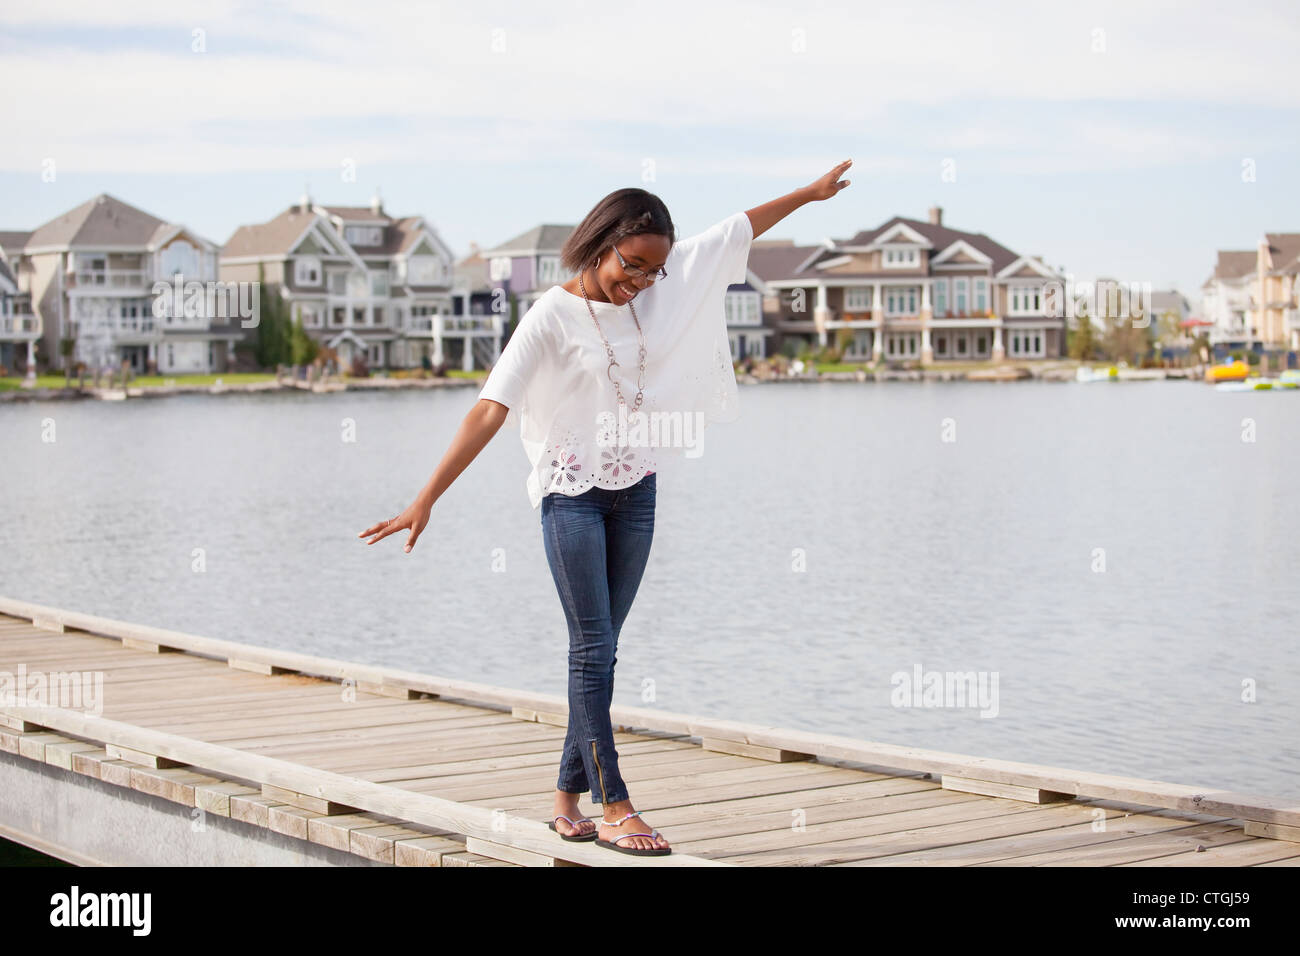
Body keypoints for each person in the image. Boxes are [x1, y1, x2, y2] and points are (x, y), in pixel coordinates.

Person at [358, 160, 852, 857]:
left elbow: (739, 229)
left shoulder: (658, 286)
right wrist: (425, 498)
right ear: (602, 242)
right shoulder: (550, 317)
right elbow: (488, 410)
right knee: (592, 648)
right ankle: (615, 804)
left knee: (603, 650)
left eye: (655, 270)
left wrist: (808, 194)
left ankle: (564, 801)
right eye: (634, 265)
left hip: (636, 493)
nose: (645, 281)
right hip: (571, 498)